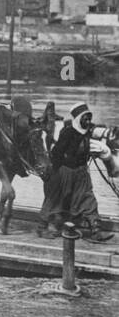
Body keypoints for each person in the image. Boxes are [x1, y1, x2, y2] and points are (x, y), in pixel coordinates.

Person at [40, 103, 111, 241]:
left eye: (89, 118)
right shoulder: (67, 133)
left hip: (82, 173)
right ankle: (44, 227)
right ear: (78, 118)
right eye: (85, 118)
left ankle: (96, 231)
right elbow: (56, 153)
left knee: (88, 199)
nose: (88, 121)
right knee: (56, 200)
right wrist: (56, 174)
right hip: (65, 172)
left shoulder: (88, 131)